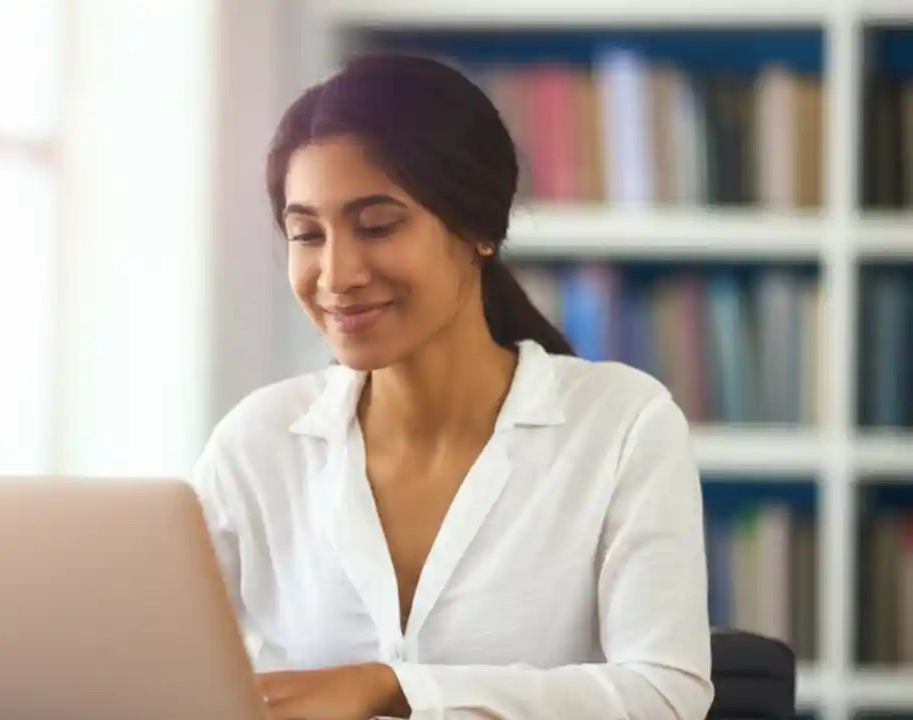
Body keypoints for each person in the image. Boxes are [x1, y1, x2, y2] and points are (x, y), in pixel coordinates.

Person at [189, 54, 713, 720]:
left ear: (478, 229)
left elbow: (665, 697)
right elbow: (164, 670)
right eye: (307, 234)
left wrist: (396, 687)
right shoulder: (256, 443)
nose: (336, 273)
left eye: (377, 226)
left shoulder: (622, 424)